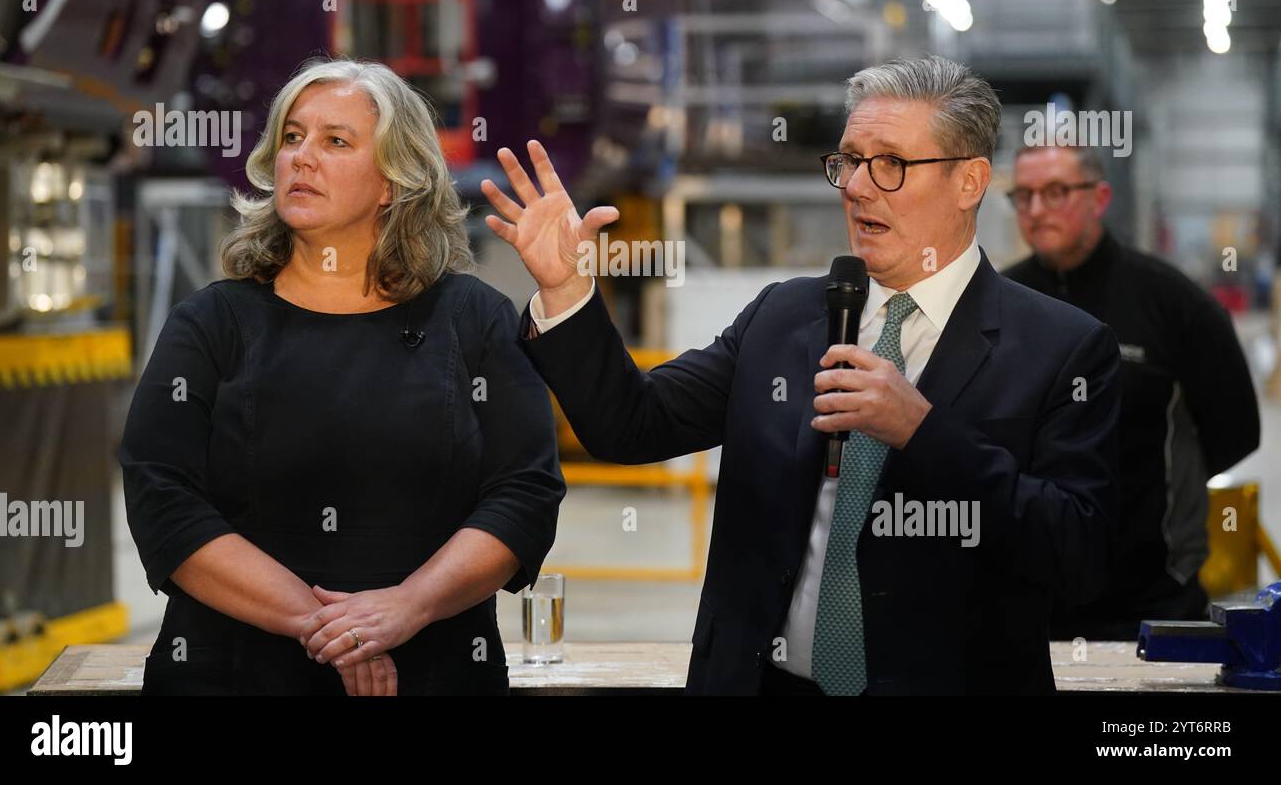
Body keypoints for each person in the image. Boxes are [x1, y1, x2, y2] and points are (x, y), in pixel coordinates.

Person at [482, 54, 1121, 695]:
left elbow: (1078, 555)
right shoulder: (785, 316)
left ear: (970, 182)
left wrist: (923, 432)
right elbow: (632, 424)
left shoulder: (1060, 348)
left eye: (892, 164)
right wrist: (566, 289)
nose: (858, 187)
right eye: (849, 161)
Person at [120, 58, 565, 695]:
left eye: (335, 142)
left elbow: (525, 495)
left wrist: (408, 606)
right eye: (292, 138)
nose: (301, 158)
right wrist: (326, 626)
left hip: (432, 672)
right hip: (233, 676)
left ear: (393, 182)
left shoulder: (473, 320)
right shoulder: (213, 321)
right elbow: (160, 497)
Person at [1003, 139, 1260, 639]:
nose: (1036, 210)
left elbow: (1237, 431)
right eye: (1024, 196)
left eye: (1055, 192)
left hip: (1156, 595)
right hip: (1033, 597)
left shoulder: (1173, 303)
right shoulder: (999, 303)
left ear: (1099, 199)